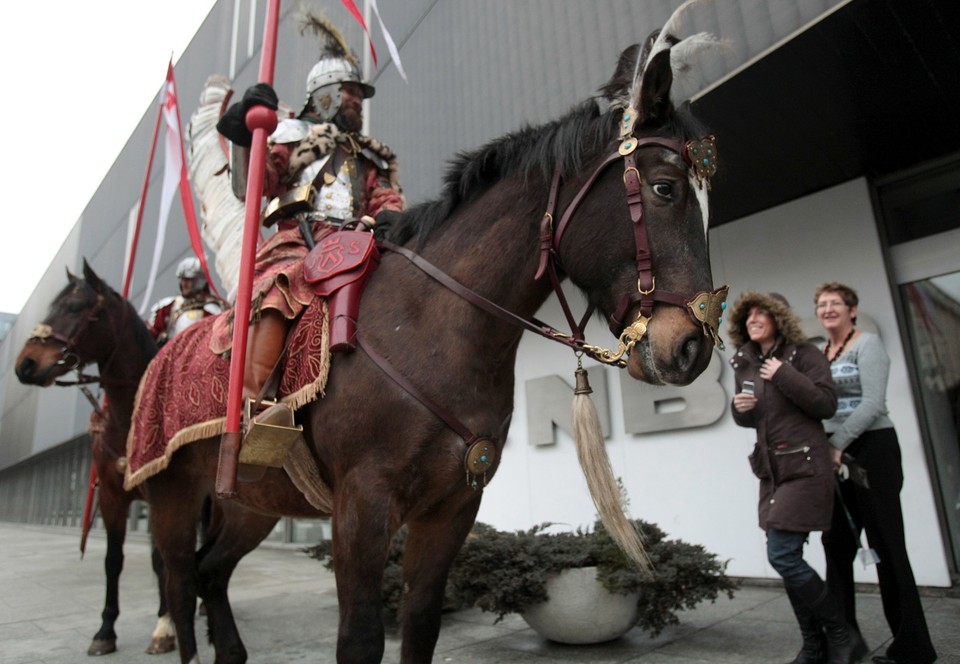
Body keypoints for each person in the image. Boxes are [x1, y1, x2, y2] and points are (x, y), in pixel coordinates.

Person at [214, 14, 404, 446]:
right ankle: (254, 410)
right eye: (350, 92)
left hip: (358, 240)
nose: (358, 100)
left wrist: (391, 218)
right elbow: (252, 187)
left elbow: (386, 201)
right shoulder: (292, 136)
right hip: (298, 241)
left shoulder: (372, 159)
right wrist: (248, 133)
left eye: (359, 93)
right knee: (283, 285)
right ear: (324, 96)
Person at [728, 291, 865, 664]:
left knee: (782, 555)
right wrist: (739, 410)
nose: (753, 319)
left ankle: (843, 635)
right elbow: (753, 415)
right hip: (772, 472)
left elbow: (825, 404)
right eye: (748, 315)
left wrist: (784, 373)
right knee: (785, 557)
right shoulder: (745, 361)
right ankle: (814, 647)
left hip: (805, 467)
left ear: (778, 318)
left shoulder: (804, 354)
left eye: (761, 313)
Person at [815, 282, 937, 664]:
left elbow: (872, 404)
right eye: (822, 304)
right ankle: (844, 643)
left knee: (887, 547)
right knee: (835, 546)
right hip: (834, 454)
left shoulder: (867, 345)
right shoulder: (823, 352)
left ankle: (913, 648)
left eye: (836, 303)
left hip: (872, 449)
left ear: (852, 309)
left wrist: (839, 444)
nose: (828, 308)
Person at [147, 256, 226, 347]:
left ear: (199, 281)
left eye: (188, 280)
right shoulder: (168, 306)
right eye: (182, 279)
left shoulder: (211, 309)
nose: (184, 283)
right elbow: (152, 336)